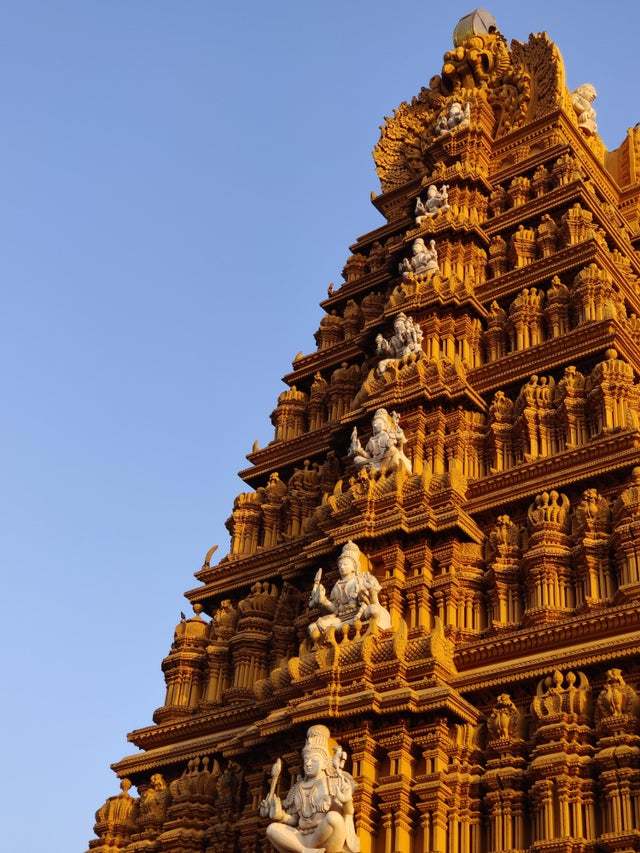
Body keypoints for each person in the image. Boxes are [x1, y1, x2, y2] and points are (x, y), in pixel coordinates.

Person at [261, 725, 360, 853]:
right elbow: (295, 820)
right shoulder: (298, 788)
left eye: (313, 760)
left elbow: (346, 813)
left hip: (324, 837)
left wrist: (347, 802)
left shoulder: (333, 783)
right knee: (272, 829)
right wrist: (281, 816)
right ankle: (304, 851)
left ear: (325, 762)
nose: (308, 763)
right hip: (301, 838)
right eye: (306, 760)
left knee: (334, 818)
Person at [307, 540, 391, 642]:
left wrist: (371, 590)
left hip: (360, 615)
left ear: (354, 566)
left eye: (345, 564)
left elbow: (372, 602)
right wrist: (324, 601)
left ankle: (369, 631)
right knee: (314, 627)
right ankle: (325, 643)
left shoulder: (361, 580)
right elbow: (336, 609)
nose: (342, 567)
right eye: (340, 565)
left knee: (374, 610)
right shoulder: (336, 586)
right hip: (342, 619)